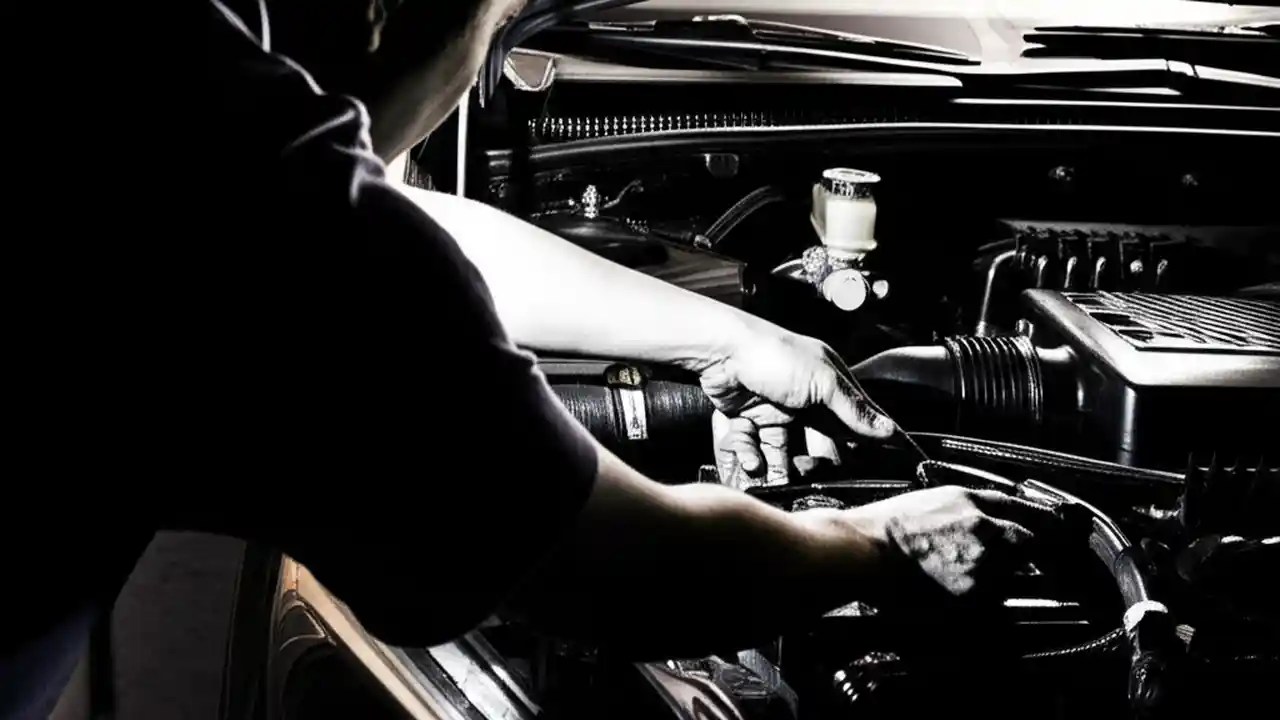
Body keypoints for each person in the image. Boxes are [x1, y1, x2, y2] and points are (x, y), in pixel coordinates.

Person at [0, 1, 1057, 717]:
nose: (477, 73)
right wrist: (882, 541)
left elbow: (389, 227)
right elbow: (632, 579)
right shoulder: (223, 163)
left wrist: (734, 335)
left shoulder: (150, 66)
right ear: (383, 8)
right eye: (495, 29)